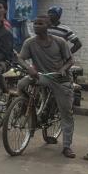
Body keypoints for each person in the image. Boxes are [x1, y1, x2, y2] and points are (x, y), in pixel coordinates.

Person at [17, 15, 76, 158]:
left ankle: (67, 146)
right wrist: (28, 68)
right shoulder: (30, 42)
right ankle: (27, 108)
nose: (36, 26)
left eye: (40, 23)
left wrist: (63, 69)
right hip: (41, 76)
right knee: (21, 84)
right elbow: (20, 58)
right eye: (35, 23)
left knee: (66, 113)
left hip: (59, 78)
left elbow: (70, 60)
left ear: (48, 26)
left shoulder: (59, 42)